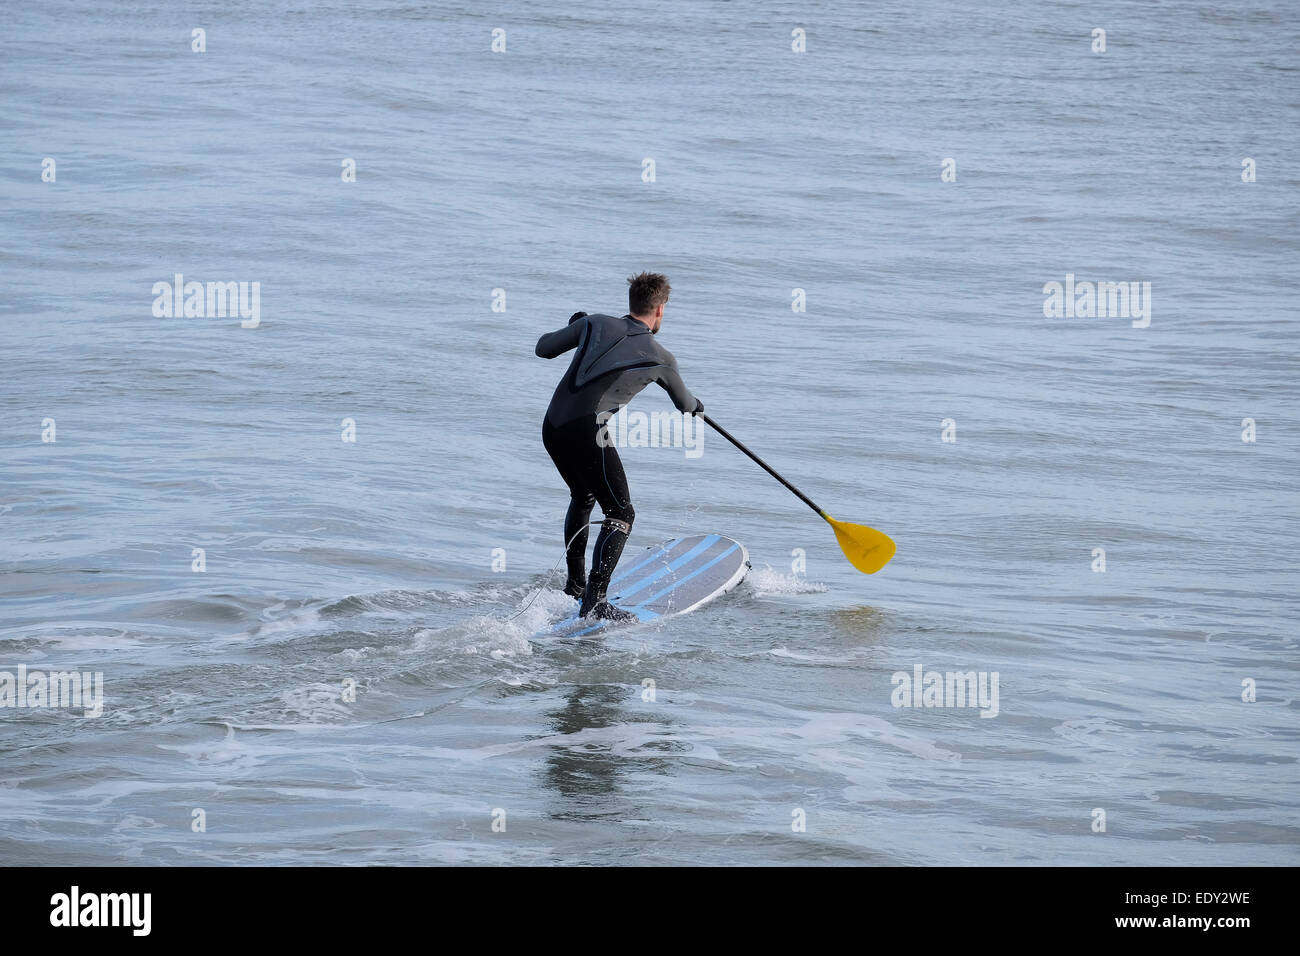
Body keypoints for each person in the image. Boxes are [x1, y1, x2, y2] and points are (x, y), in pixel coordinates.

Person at [535, 272, 703, 621]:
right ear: (659, 309)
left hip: (552, 427)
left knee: (583, 496)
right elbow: (685, 404)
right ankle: (594, 602)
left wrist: (577, 327)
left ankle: (576, 587)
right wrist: (697, 406)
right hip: (586, 432)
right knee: (621, 514)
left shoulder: (594, 324)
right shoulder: (661, 357)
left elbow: (544, 347)